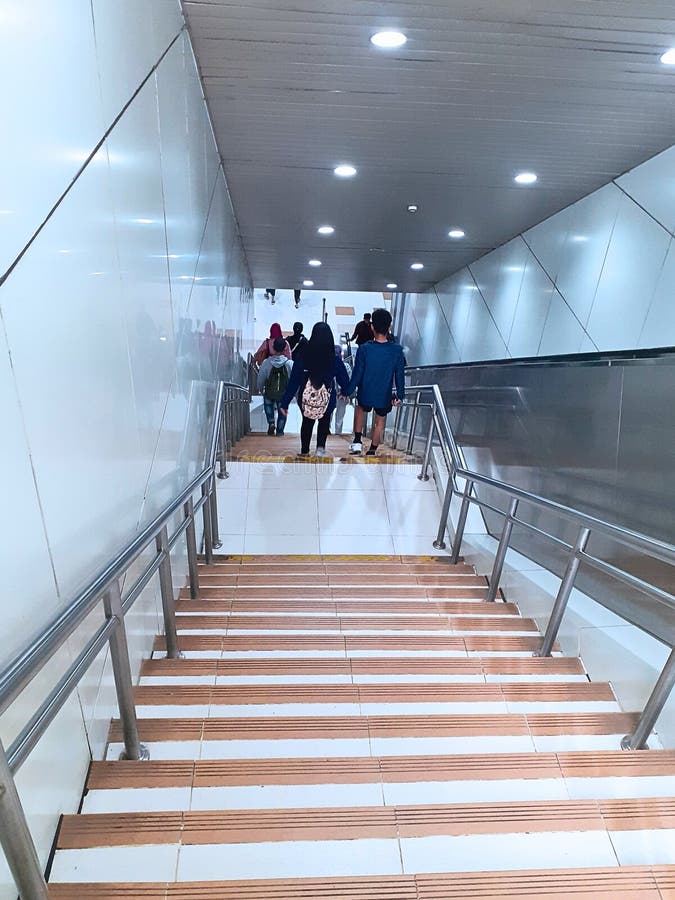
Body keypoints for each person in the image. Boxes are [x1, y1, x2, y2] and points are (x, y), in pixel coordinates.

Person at [280, 322, 350, 457]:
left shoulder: (303, 357)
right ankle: (320, 450)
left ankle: (305, 451)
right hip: (327, 400)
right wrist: (345, 392)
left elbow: (293, 382)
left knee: (307, 423)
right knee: (324, 422)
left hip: (306, 398)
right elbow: (345, 382)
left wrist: (285, 403)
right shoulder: (334, 360)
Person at [347, 307, 405, 457]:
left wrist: (347, 391)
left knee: (360, 409)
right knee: (380, 420)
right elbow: (399, 375)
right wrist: (400, 395)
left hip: (366, 391)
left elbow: (357, 374)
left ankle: (358, 442)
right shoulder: (397, 350)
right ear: (389, 327)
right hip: (384, 394)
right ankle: (372, 449)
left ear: (372, 327)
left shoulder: (365, 349)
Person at [257, 338, 293, 435]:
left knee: (268, 406)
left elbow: (261, 378)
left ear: (273, 347)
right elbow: (293, 379)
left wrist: (260, 389)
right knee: (282, 412)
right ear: (285, 348)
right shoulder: (289, 363)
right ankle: (280, 431)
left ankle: (271, 422)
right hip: (283, 393)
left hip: (269, 392)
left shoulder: (266, 362)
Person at [332, 345, 353, 435]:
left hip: (331, 392)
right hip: (342, 393)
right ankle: (338, 432)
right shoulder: (346, 366)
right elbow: (349, 379)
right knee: (340, 414)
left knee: (329, 412)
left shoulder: (329, 364)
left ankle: (326, 430)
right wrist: (346, 392)